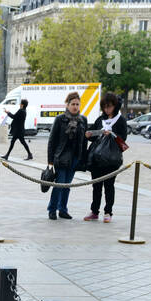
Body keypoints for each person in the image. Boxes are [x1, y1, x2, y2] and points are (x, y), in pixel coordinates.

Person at [84, 92, 128, 222]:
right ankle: (94, 211)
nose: (107, 109)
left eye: (109, 106)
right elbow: (93, 135)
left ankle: (108, 212)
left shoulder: (120, 120)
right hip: (97, 159)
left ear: (115, 106)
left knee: (109, 186)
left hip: (111, 159)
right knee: (96, 186)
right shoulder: (100, 120)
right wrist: (89, 134)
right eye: (104, 107)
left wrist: (113, 134)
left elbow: (123, 139)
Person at [45, 91, 87, 220]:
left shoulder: (82, 120)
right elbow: (52, 141)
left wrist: (83, 159)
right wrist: (50, 161)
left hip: (75, 157)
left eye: (77, 104)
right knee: (60, 184)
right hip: (61, 157)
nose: (75, 106)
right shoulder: (60, 119)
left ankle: (63, 209)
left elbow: (84, 141)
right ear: (67, 105)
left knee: (67, 185)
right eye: (73, 104)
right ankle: (52, 209)